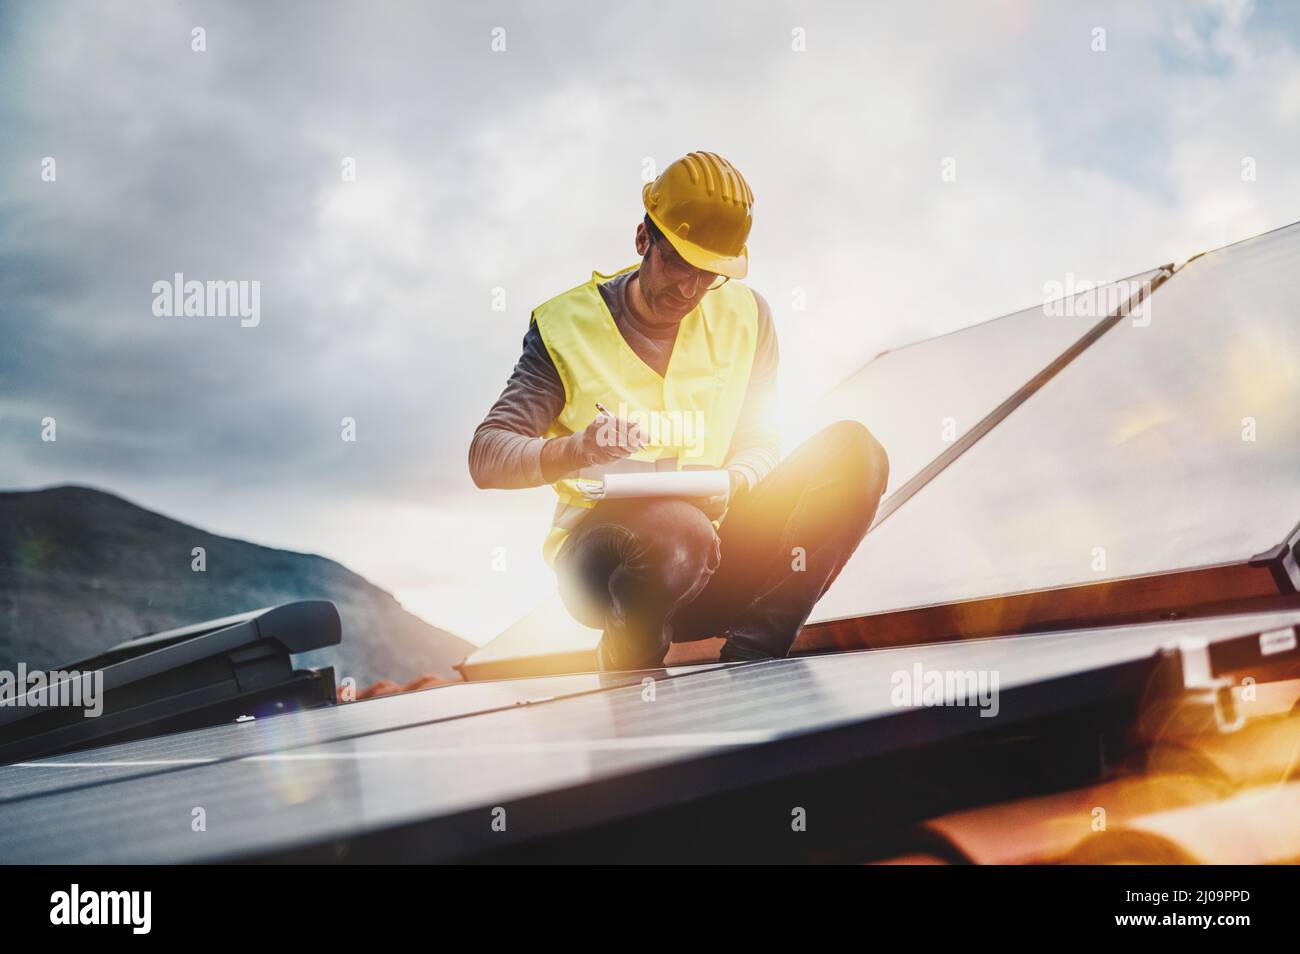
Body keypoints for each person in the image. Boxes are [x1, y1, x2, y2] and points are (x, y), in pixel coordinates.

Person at [470, 151, 888, 670]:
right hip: (606, 569)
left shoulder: (748, 316)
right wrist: (575, 449)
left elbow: (760, 438)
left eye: (708, 274)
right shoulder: (564, 328)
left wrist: (737, 480)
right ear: (643, 239)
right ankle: (629, 656)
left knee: (856, 452)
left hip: (715, 550)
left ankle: (757, 648)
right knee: (677, 533)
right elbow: (487, 456)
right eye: (676, 263)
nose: (688, 290)